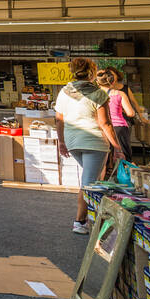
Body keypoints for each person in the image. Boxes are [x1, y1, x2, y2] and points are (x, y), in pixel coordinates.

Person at [54, 58, 123, 235]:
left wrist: (61, 142)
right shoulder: (98, 93)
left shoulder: (64, 92)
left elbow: (59, 119)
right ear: (92, 73)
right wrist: (118, 147)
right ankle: (80, 221)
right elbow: (105, 123)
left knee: (92, 179)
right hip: (94, 142)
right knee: (89, 183)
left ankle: (91, 217)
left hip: (73, 142)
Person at [98, 67, 137, 161]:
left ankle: (109, 173)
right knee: (124, 156)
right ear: (112, 82)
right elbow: (131, 113)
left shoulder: (96, 95)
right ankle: (124, 174)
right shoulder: (119, 94)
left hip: (102, 128)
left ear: (98, 82)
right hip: (119, 128)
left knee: (106, 157)